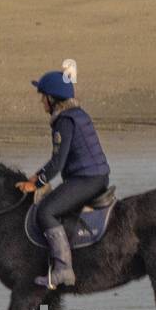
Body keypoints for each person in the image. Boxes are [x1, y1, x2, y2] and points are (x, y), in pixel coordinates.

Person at [15, 71, 110, 288]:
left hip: (87, 179)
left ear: (52, 98)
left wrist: (36, 183)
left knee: (46, 211)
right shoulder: (77, 113)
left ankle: (64, 269)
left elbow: (57, 163)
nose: (41, 101)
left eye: (43, 96)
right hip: (94, 176)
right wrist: (36, 176)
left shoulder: (65, 121)